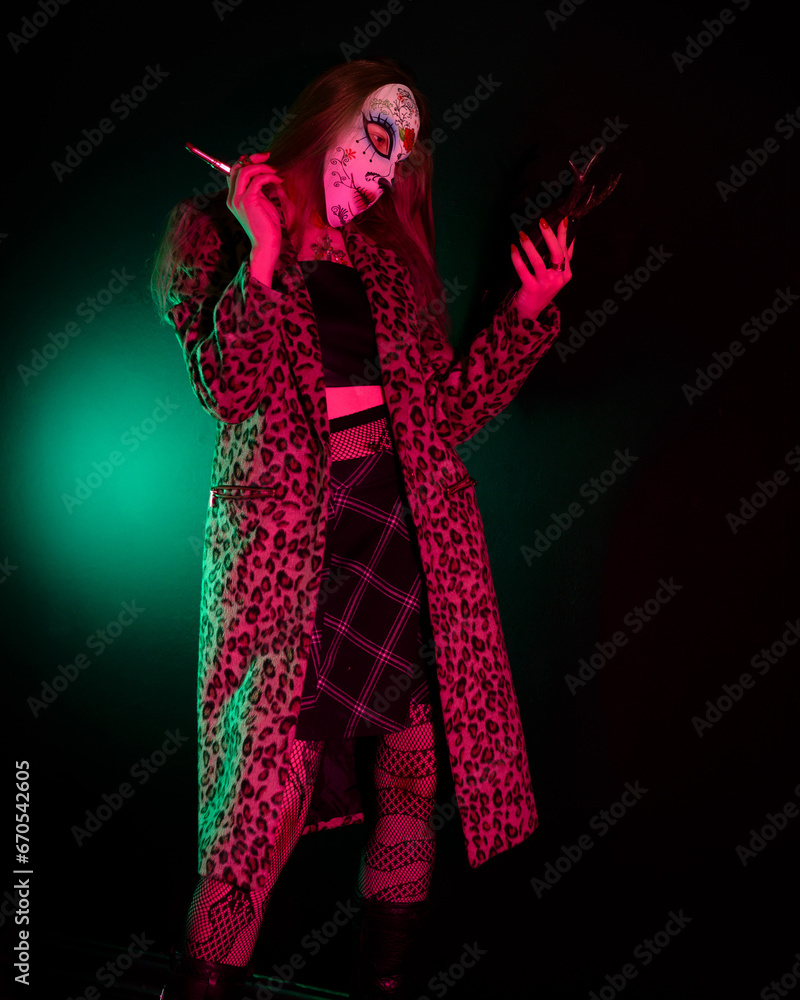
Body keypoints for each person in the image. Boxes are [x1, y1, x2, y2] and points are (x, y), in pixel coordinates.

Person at [151, 56, 573, 1000]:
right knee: (260, 802)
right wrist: (263, 255)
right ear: (326, 125)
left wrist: (526, 316)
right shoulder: (214, 234)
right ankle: (203, 985)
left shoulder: (388, 269)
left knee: (413, 775)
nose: (381, 179)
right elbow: (227, 388)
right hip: (290, 566)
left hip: (407, 543)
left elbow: (448, 415)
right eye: (373, 147)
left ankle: (384, 989)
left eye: (397, 167)